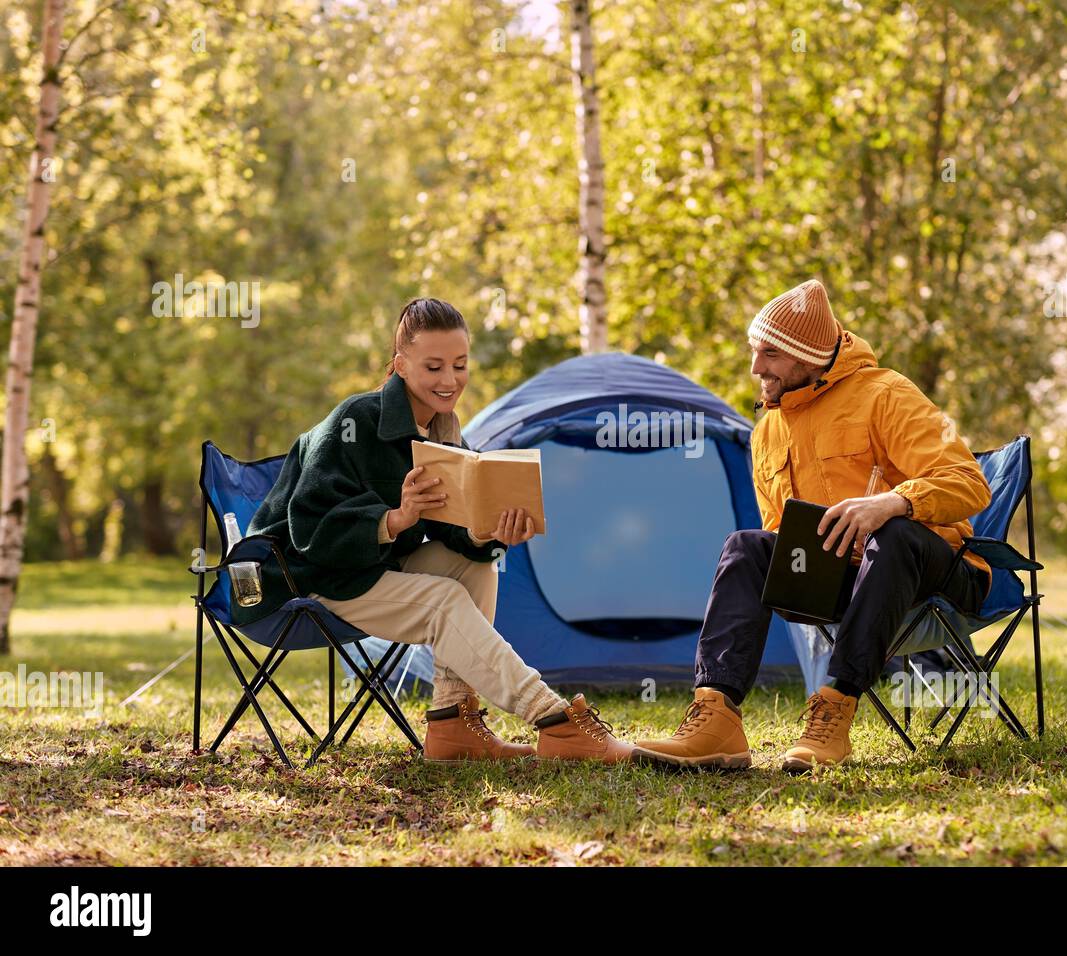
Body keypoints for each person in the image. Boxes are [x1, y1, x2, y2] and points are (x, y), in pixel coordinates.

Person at [239, 297, 633, 764]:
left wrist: (490, 532)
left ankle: (452, 725)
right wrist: (394, 519)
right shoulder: (354, 421)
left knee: (475, 564)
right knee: (443, 602)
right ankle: (553, 718)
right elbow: (310, 531)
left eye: (460, 365)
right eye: (434, 367)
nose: (450, 381)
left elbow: (453, 533)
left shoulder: (443, 432)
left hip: (370, 570)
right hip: (304, 576)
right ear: (401, 365)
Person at [633, 279, 992, 772]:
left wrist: (892, 503)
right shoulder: (767, 432)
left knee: (892, 534)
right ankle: (716, 718)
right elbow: (783, 534)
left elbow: (969, 483)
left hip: (941, 573)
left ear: (808, 356)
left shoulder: (886, 394)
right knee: (746, 547)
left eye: (771, 354)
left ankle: (833, 715)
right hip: (843, 585)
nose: (756, 367)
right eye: (754, 351)